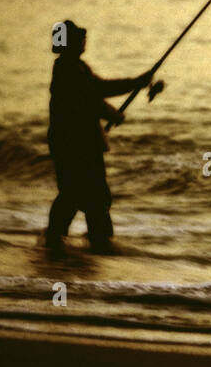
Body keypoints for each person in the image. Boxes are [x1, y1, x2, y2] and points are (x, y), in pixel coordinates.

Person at [44, 19, 160, 255]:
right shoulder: (69, 69)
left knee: (80, 193)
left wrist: (133, 86)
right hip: (76, 145)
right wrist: (117, 108)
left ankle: (66, 238)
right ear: (70, 43)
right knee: (83, 194)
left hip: (76, 143)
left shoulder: (74, 67)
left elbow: (93, 93)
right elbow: (94, 94)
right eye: (79, 37)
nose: (84, 40)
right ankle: (92, 241)